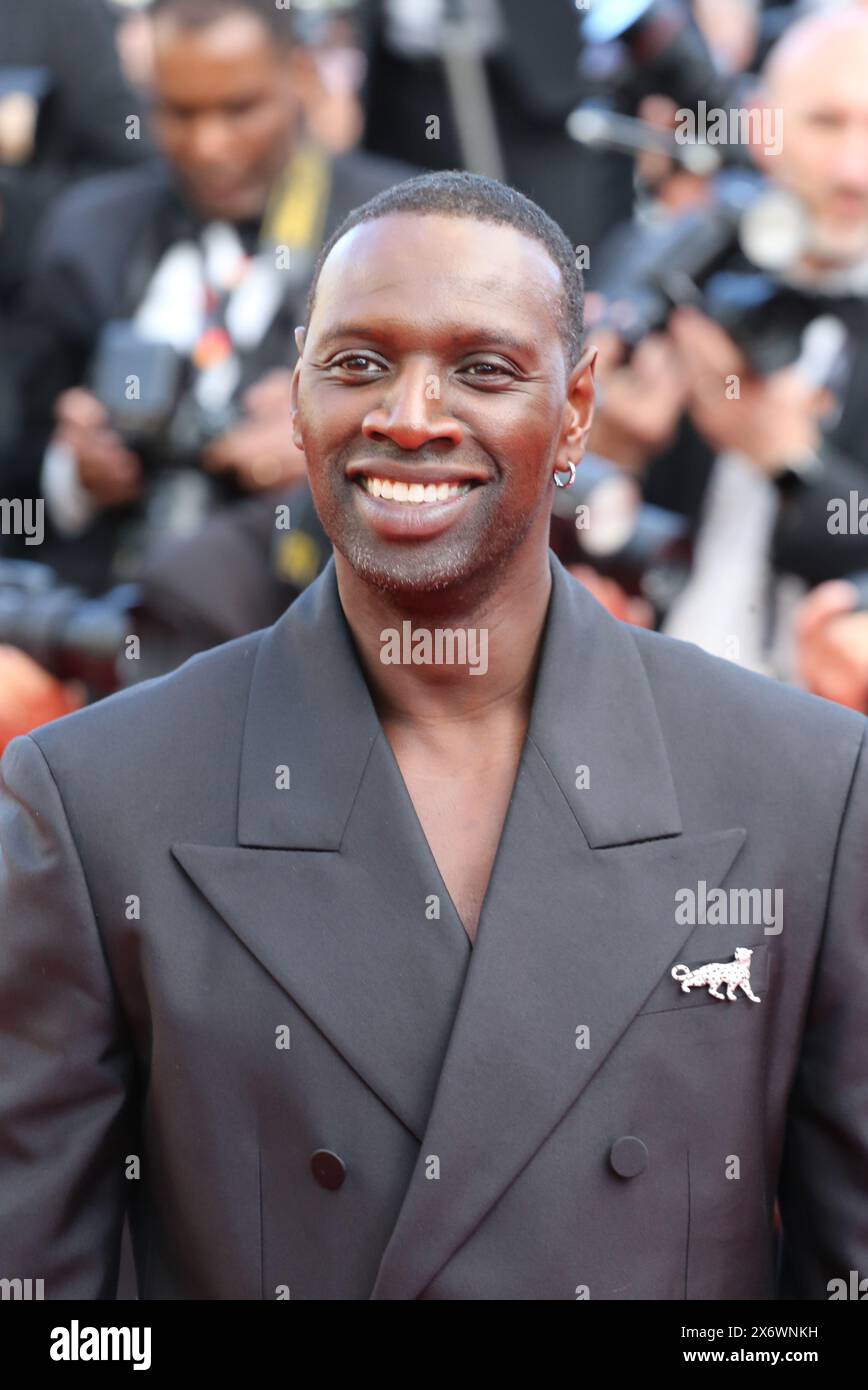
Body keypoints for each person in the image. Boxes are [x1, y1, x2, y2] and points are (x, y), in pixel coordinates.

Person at [0, 171, 866, 1301]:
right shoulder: (93, 797)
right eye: (358, 363)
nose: (409, 416)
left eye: (482, 368)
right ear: (298, 390)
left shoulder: (803, 786)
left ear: (577, 407)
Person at [3, 0, 411, 592]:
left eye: (240, 109)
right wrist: (73, 470)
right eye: (179, 113)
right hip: (101, 615)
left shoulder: (395, 232)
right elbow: (17, 459)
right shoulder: (88, 235)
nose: (209, 146)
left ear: (300, 76)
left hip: (315, 620)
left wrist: (335, 452)